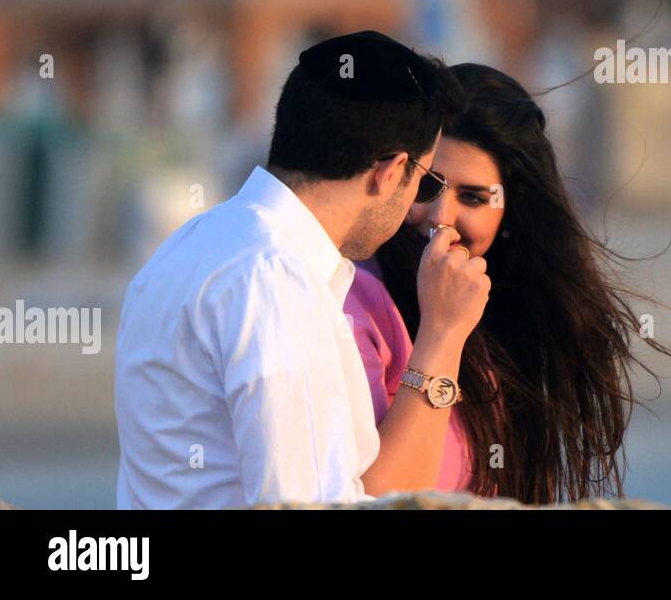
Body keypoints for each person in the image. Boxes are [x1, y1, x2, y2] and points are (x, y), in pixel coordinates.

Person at [114, 30, 488, 508]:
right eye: (427, 181)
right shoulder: (275, 280)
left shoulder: (187, 246)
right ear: (391, 171)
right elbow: (307, 503)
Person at [345, 62, 671, 503]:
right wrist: (441, 335)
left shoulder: (501, 328)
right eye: (428, 186)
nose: (440, 217)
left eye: (474, 197)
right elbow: (377, 500)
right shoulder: (353, 302)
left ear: (509, 215)